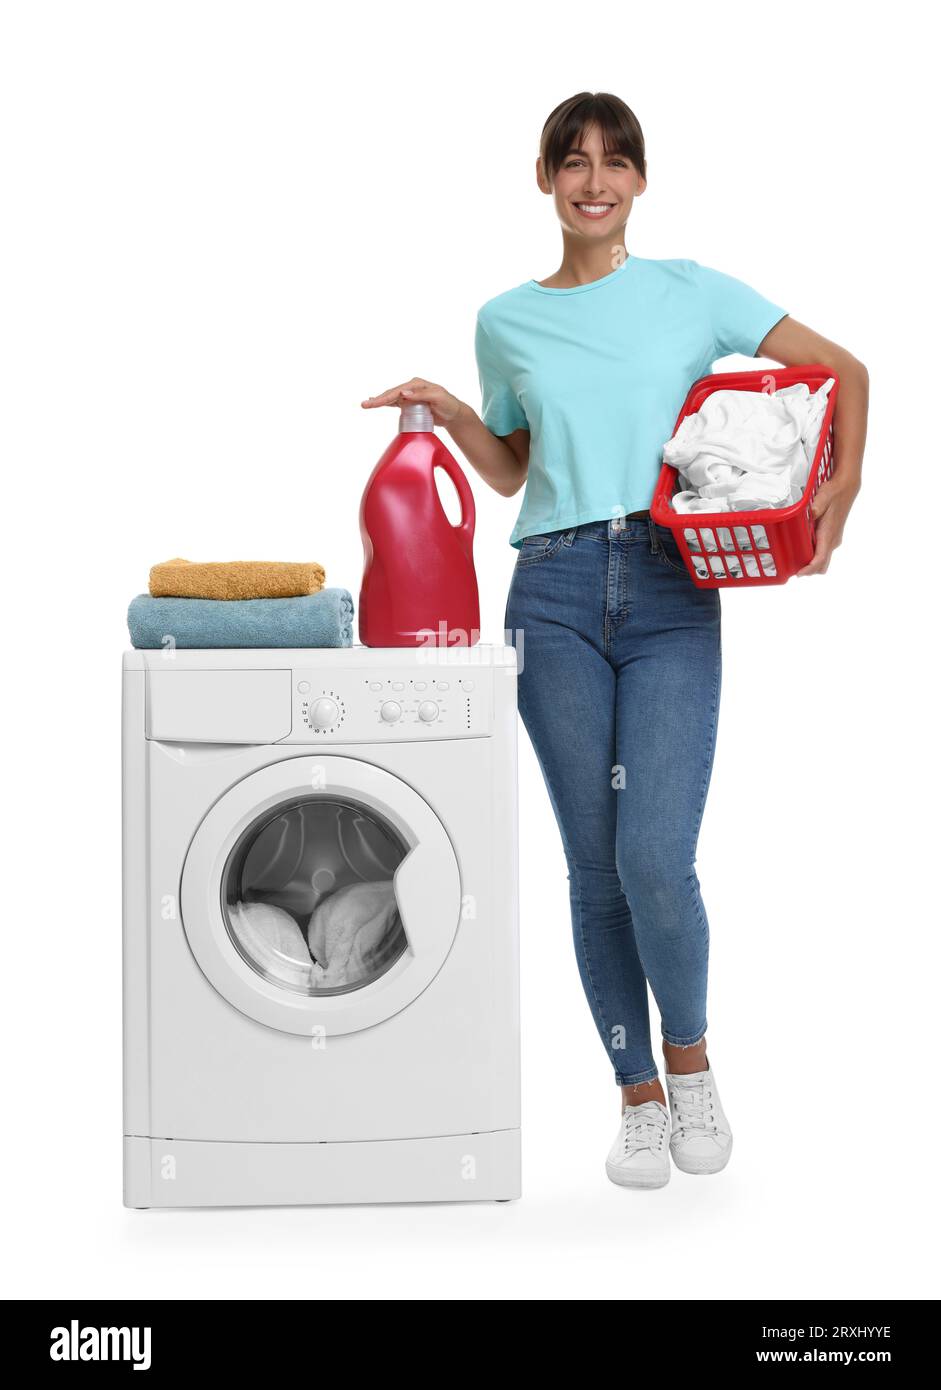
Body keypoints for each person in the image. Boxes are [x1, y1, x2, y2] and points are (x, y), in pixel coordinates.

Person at [362, 91, 868, 1189]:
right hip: (545, 588)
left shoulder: (691, 292)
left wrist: (842, 485)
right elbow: (513, 467)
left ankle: (690, 1065)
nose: (593, 180)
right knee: (593, 868)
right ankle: (634, 1096)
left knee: (653, 854)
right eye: (571, 161)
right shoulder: (504, 317)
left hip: (669, 583)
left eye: (614, 161)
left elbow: (844, 371)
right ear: (541, 177)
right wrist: (454, 411)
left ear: (639, 179)